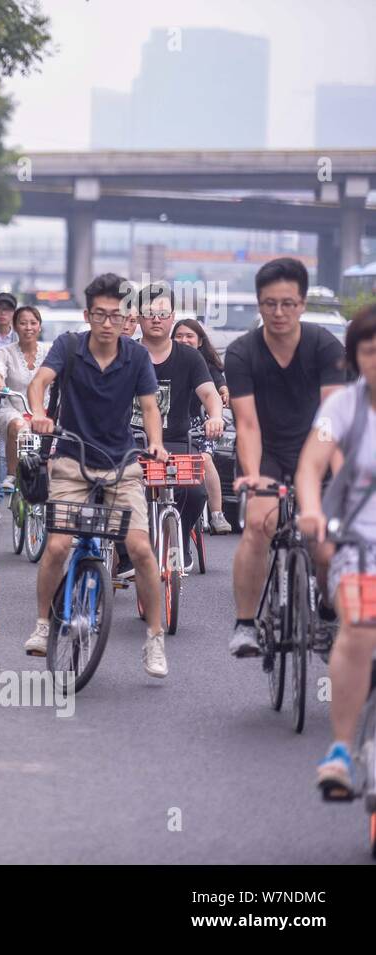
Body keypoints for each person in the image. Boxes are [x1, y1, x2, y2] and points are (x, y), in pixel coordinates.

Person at [24, 273, 171, 678]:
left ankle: (155, 638)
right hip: (72, 458)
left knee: (141, 549)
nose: (108, 323)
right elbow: (40, 382)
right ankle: (41, 624)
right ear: (87, 314)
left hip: (122, 463)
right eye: (100, 315)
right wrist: (38, 414)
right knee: (57, 546)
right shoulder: (69, 347)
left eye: (117, 315)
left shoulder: (136, 357)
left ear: (128, 318)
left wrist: (155, 443)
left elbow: (150, 407)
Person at [225, 257, 347, 657]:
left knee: (324, 542)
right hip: (270, 451)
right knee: (259, 523)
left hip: (319, 447)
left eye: (288, 303)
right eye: (270, 304)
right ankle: (245, 625)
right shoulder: (243, 352)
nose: (279, 312)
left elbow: (331, 421)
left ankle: (327, 614)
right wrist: (255, 476)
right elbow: (247, 424)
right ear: (259, 304)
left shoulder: (326, 347)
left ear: (302, 304)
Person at [295, 307, 376, 798]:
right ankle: (342, 750)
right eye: (370, 350)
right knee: (361, 628)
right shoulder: (343, 408)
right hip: (360, 545)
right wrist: (311, 511)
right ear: (356, 358)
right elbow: (311, 463)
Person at [132, 282, 224, 546]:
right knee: (118, 493)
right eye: (149, 313)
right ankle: (124, 554)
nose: (156, 319)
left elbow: (209, 394)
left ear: (172, 317)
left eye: (163, 313)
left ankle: (179, 541)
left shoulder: (190, 358)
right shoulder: (125, 353)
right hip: (131, 442)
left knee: (195, 493)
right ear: (138, 317)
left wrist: (215, 415)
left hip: (176, 443)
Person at [172, 317, 233, 533]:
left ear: (200, 341)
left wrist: (223, 392)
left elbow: (217, 384)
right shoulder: (165, 359)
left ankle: (217, 514)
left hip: (199, 425)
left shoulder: (203, 364)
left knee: (204, 459)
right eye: (179, 336)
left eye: (189, 336)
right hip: (168, 426)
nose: (184, 340)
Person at [0, 304, 50, 489]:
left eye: (33, 322)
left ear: (39, 326)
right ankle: (11, 474)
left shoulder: (49, 351)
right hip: (14, 407)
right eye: (23, 323)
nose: (28, 327)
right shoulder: (5, 351)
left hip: (45, 408)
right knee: (18, 426)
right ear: (15, 326)